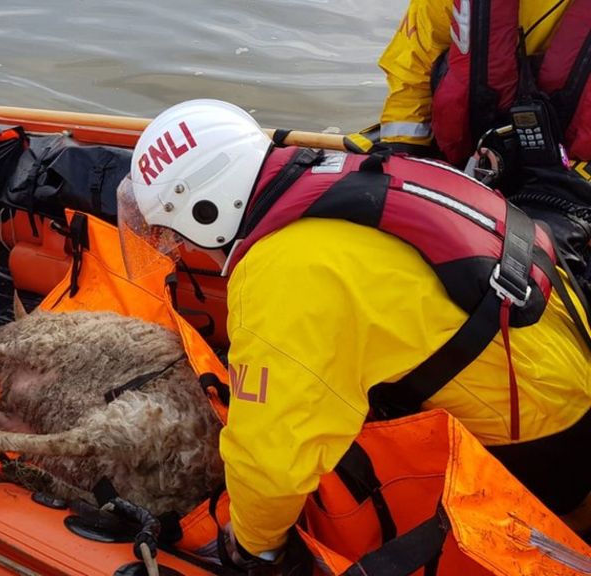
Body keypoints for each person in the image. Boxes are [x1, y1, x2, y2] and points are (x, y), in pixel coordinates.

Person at [117, 99, 591, 570]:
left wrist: (252, 544)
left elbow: (272, 455)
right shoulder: (341, 177)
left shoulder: (283, 272)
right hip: (562, 366)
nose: (180, 246)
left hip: (537, 449)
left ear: (207, 210)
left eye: (175, 233)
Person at [373, 0, 591, 287]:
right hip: (468, 158)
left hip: (572, 180)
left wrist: (573, 192)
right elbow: (413, 67)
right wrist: (403, 153)